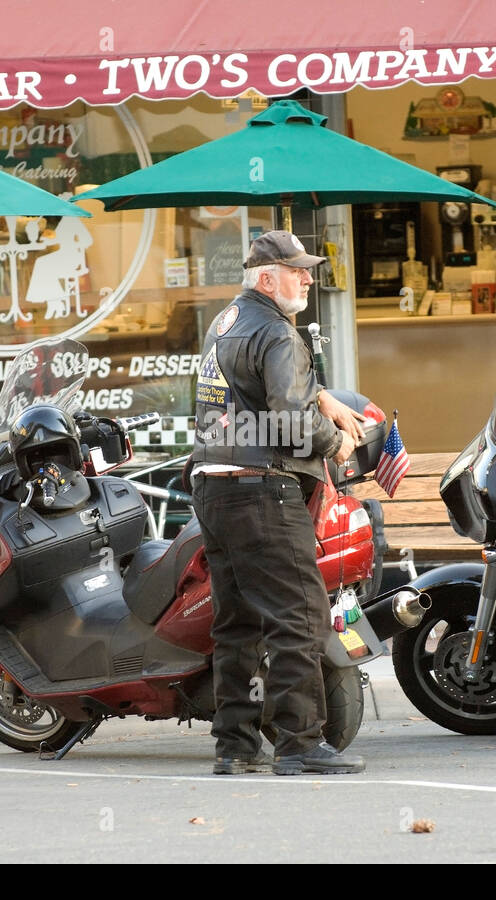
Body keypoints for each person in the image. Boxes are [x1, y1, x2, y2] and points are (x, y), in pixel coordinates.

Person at [190, 229, 367, 776]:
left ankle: (236, 745)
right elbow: (289, 417)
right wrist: (337, 442)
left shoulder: (227, 323)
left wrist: (322, 396)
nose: (309, 278)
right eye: (298, 270)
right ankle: (299, 744)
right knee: (300, 615)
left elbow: (256, 388)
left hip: (213, 484)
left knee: (236, 623)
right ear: (268, 278)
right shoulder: (278, 333)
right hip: (263, 488)